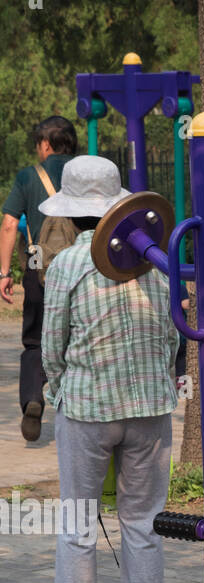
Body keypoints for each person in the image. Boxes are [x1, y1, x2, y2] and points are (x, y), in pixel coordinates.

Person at [40, 156, 178, 583]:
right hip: (150, 407)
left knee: (79, 516)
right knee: (143, 517)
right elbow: (172, 338)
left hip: (86, 407)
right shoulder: (153, 261)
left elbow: (51, 345)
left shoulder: (68, 265)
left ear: (71, 214)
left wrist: (59, 388)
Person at [0, 115, 78, 441]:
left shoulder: (28, 177)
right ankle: (75, 413)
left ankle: (33, 397)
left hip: (37, 261)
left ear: (44, 145)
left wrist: (4, 273)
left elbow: (8, 225)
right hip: (80, 262)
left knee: (34, 339)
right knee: (76, 339)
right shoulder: (84, 171)